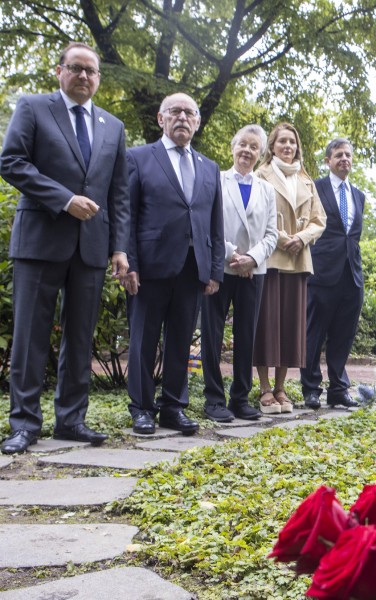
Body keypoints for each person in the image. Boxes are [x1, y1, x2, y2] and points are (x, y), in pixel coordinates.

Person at [0, 42, 130, 454]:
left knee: (79, 337)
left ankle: (71, 420)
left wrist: (119, 248)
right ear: (60, 71)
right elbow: (12, 161)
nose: (84, 76)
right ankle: (24, 424)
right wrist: (63, 198)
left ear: (98, 79)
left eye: (91, 71)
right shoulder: (34, 108)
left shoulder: (113, 126)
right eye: (76, 68)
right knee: (30, 337)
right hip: (40, 241)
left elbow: (119, 194)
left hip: (91, 247)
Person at [123, 92, 225, 435]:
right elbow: (127, 214)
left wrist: (214, 269)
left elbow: (215, 223)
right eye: (175, 111)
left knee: (180, 341)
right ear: (160, 119)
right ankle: (141, 408)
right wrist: (129, 262)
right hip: (149, 266)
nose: (182, 117)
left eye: (189, 113)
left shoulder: (209, 167)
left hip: (192, 267)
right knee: (143, 340)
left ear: (197, 122)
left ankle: (173, 407)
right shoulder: (137, 158)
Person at [199, 125, 278, 422]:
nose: (247, 150)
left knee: (247, 335)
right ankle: (213, 398)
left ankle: (241, 398)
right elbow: (209, 224)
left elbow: (272, 234)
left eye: (254, 147)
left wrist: (252, 259)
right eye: (242, 145)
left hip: (253, 272)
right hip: (221, 268)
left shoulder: (266, 189)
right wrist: (234, 256)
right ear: (232, 147)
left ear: (260, 153)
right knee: (212, 335)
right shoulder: (215, 181)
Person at [253, 123, 326, 413]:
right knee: (266, 325)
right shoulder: (261, 175)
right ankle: (263, 388)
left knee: (290, 327)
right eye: (282, 141)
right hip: (272, 258)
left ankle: (281, 387)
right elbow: (257, 214)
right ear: (272, 146)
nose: (288, 146)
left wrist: (302, 238)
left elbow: (319, 220)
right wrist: (283, 239)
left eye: (292, 142)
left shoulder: (306, 180)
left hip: (299, 261)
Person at [300, 138, 364, 409]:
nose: (344, 159)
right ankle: (311, 388)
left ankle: (338, 388)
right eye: (338, 155)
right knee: (314, 332)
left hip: (352, 274)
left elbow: (353, 235)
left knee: (343, 334)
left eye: (348, 155)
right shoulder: (315, 188)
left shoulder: (359, 195)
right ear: (328, 160)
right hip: (322, 272)